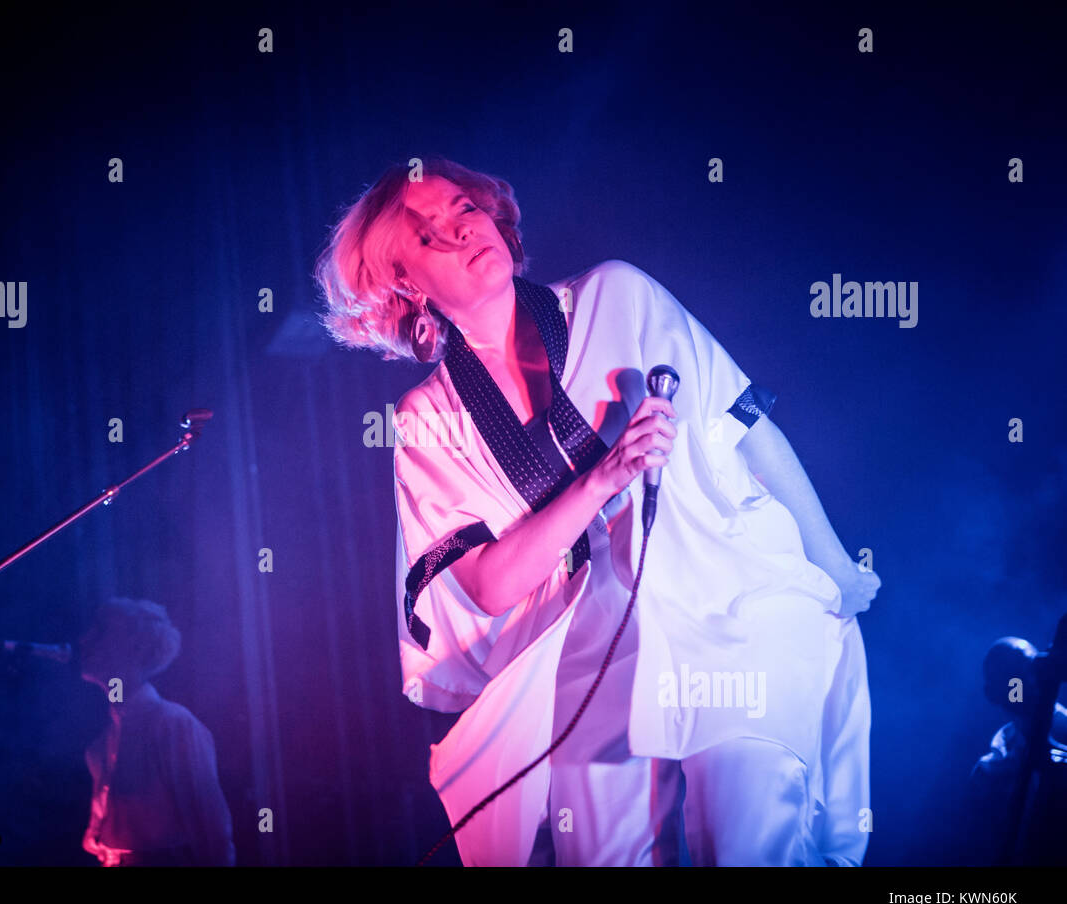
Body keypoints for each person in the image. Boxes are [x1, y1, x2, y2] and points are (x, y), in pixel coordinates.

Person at [314, 156, 878, 866]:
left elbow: (747, 424)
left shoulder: (618, 295)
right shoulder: (427, 416)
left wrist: (834, 569)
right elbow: (489, 585)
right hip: (590, 655)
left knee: (750, 840)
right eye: (427, 237)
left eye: (464, 208)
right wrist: (601, 478)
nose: (460, 233)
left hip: (728, 601)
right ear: (405, 285)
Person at [78, 597, 236, 866]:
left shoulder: (173, 724)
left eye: (102, 632)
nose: (84, 640)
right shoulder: (106, 739)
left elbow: (212, 831)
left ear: (135, 648)